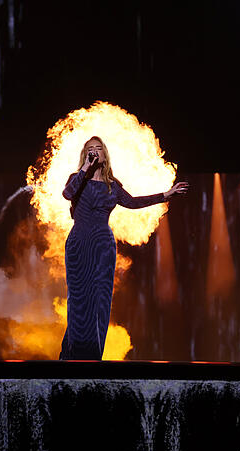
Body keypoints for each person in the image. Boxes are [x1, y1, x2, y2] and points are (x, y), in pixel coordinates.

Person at [59, 136, 189, 360]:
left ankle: (91, 355)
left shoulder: (113, 185)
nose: (94, 152)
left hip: (103, 246)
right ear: (85, 154)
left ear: (105, 154)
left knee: (99, 299)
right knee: (79, 298)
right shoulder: (76, 179)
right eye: (90, 149)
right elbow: (67, 194)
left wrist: (165, 195)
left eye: (98, 148)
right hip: (79, 243)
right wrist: (84, 169)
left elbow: (133, 202)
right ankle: (71, 356)